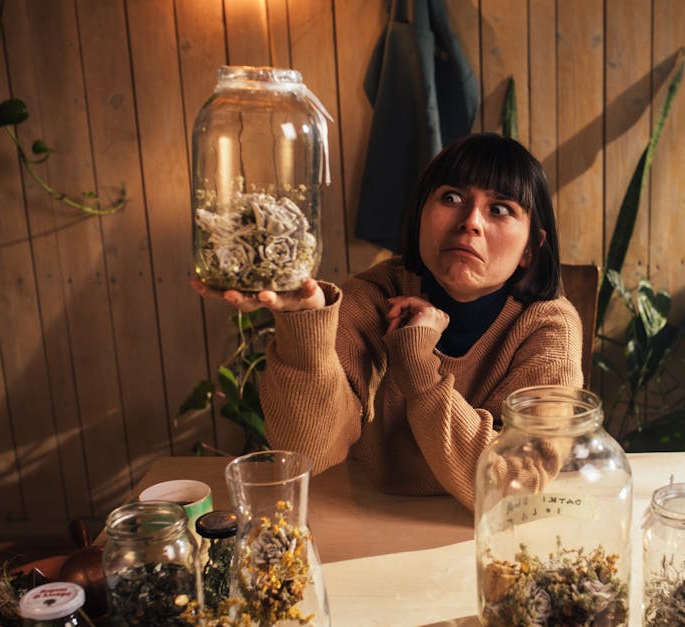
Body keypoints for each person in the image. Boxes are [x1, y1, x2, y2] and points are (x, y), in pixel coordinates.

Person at [193, 133, 582, 508]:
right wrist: (304, 321)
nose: (471, 222)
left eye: (500, 209)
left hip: (482, 535)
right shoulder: (371, 296)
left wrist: (418, 365)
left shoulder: (549, 326)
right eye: (451, 197)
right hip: (367, 511)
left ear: (531, 248)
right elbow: (309, 451)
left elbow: (516, 482)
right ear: (419, 217)